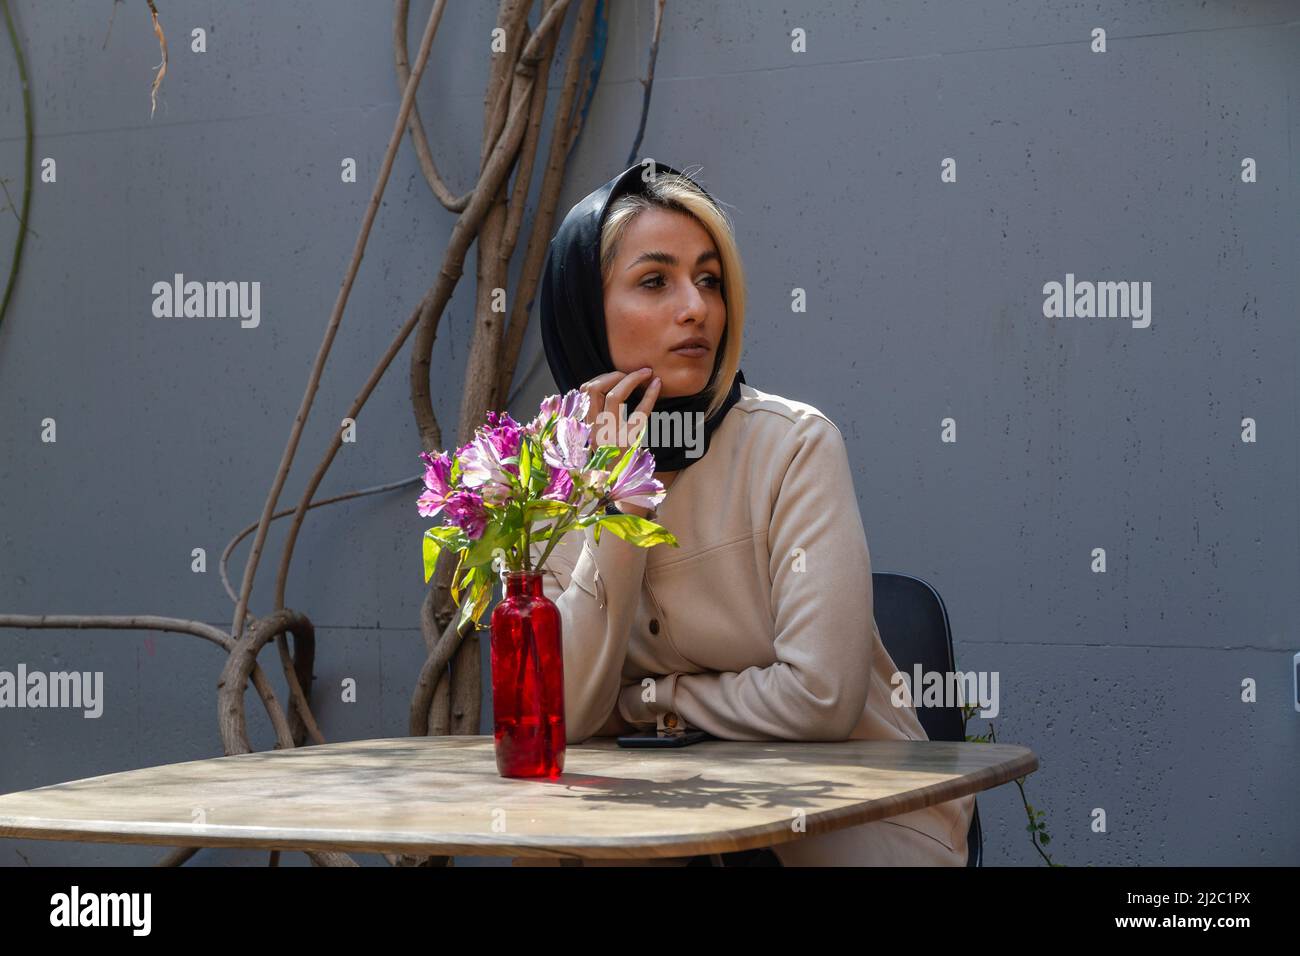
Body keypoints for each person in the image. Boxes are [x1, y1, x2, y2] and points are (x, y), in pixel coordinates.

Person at [522, 160, 974, 867]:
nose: (696, 308)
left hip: (850, 811)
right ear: (582, 309)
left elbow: (821, 699)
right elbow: (566, 717)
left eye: (709, 280)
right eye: (655, 281)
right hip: (646, 816)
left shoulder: (794, 446)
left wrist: (645, 701)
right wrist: (617, 501)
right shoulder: (546, 479)